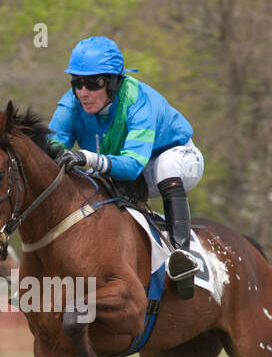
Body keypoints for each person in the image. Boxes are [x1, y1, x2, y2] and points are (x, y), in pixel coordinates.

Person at [46, 35, 205, 299]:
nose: (83, 92)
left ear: (113, 83)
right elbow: (50, 149)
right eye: (77, 82)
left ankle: (182, 255)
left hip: (176, 159)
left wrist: (88, 158)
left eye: (93, 83)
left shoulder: (138, 100)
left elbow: (131, 166)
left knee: (164, 166)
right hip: (126, 165)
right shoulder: (71, 102)